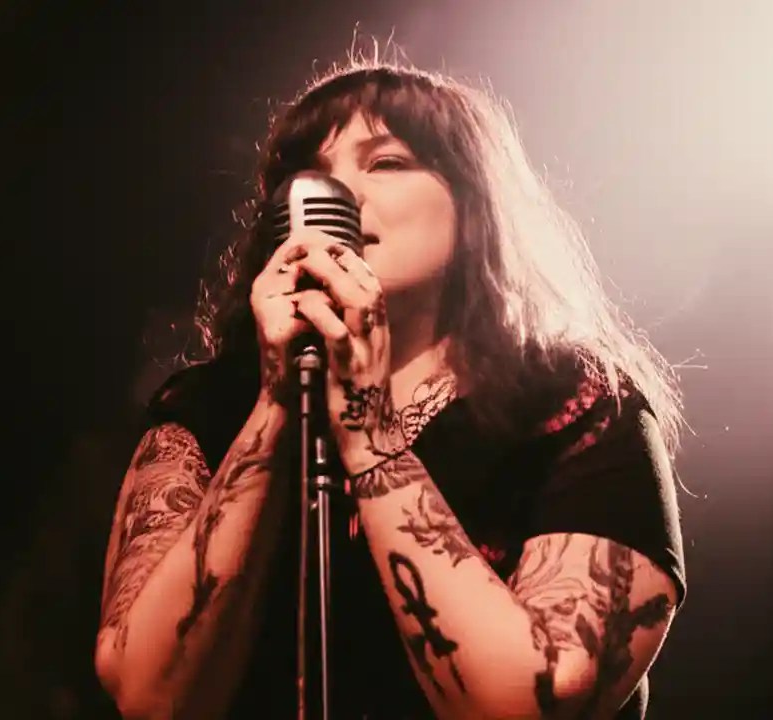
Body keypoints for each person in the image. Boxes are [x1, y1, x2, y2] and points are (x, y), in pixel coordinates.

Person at [93, 58, 688, 719]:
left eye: (385, 162)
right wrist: (277, 405)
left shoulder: (572, 406)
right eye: (310, 172)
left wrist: (368, 429)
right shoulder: (209, 412)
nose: (336, 192)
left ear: (472, 205)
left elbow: (531, 702)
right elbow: (151, 694)